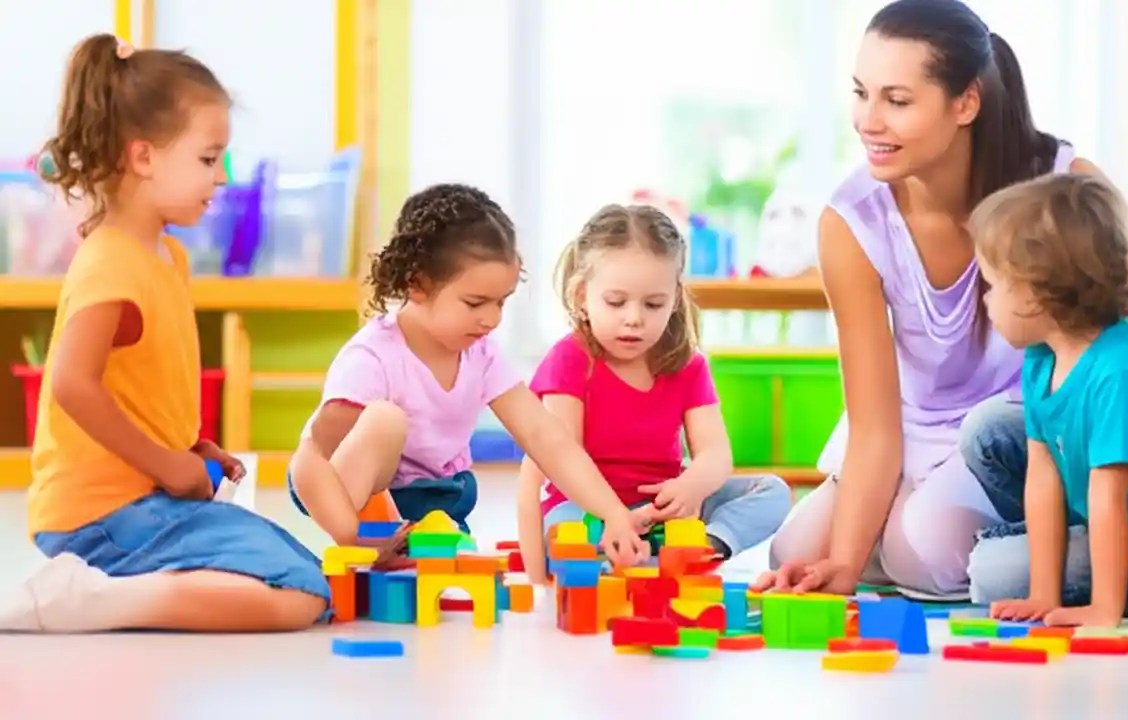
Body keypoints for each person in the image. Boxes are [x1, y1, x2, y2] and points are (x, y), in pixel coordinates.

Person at [755, 0, 1128, 606]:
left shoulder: (1062, 190)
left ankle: (1111, 548)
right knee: (795, 554)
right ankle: (939, 530)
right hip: (913, 433)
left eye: (897, 101)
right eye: (861, 93)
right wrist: (844, 563)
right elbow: (873, 426)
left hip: (1021, 435)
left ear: (965, 103)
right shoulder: (851, 220)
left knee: (916, 556)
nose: (868, 121)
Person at [0, 35, 328, 632]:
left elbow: (138, 390)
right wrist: (167, 465)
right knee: (299, 592)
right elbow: (71, 384)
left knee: (305, 575)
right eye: (208, 159)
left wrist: (190, 448)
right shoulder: (111, 263)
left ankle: (103, 591)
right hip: (102, 515)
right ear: (143, 157)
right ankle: (90, 599)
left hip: (139, 501)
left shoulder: (164, 257)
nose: (221, 178)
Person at [287, 184, 648, 569]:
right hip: (345, 491)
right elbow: (311, 460)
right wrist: (352, 535)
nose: (492, 319)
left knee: (456, 579)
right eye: (475, 303)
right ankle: (366, 546)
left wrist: (613, 512)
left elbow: (545, 437)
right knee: (385, 419)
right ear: (417, 284)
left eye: (501, 302)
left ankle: (401, 547)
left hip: (436, 500)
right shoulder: (371, 358)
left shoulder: (482, 354)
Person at [967, 173, 1128, 625]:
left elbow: (1109, 498)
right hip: (1098, 513)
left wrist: (1104, 608)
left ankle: (1110, 586)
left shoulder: (1117, 373)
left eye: (992, 285)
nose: (985, 300)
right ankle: (1047, 554)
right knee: (983, 432)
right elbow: (1043, 473)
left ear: (1036, 295)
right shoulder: (1042, 357)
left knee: (990, 574)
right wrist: (1043, 595)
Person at [516, 204, 791, 582]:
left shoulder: (688, 365)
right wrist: (614, 515)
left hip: (662, 509)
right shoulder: (569, 359)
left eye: (653, 304)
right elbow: (563, 461)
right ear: (582, 296)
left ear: (674, 299)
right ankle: (617, 558)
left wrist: (691, 487)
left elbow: (715, 453)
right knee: (565, 530)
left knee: (772, 492)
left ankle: (698, 550)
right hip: (587, 508)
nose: (634, 318)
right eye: (616, 302)